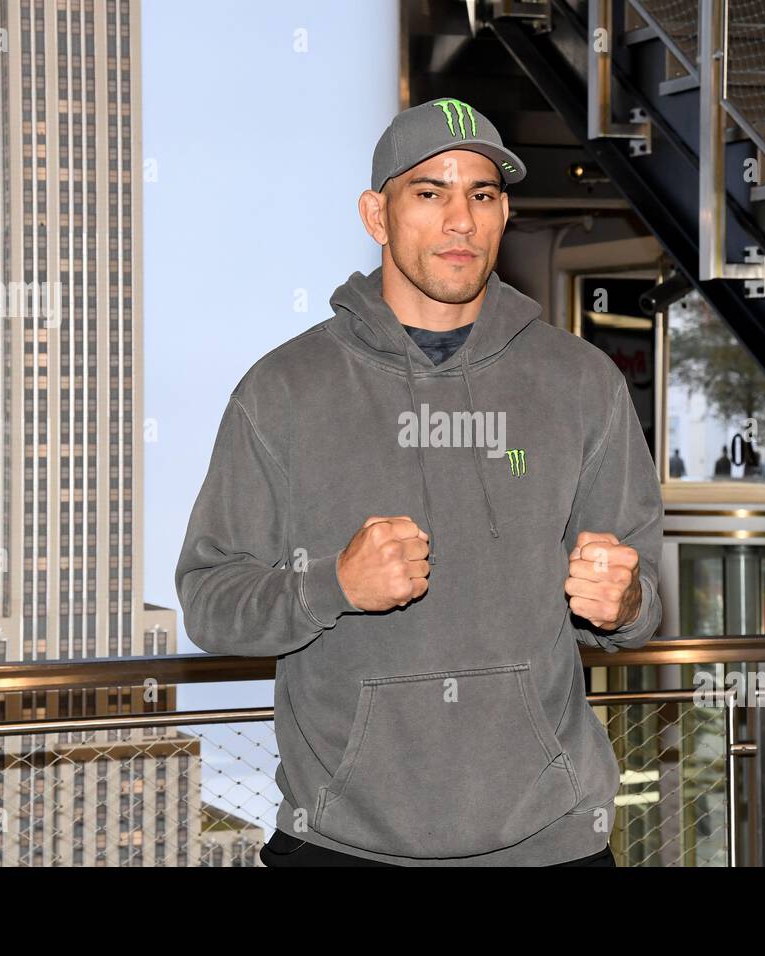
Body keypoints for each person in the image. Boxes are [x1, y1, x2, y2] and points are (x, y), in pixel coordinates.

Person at [175, 98, 662, 867]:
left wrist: (626, 602)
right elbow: (209, 601)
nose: (460, 220)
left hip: (554, 843)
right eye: (430, 193)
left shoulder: (582, 382)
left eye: (484, 194)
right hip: (343, 844)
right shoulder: (283, 390)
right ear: (377, 214)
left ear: (504, 214)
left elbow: (644, 599)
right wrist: (328, 583)